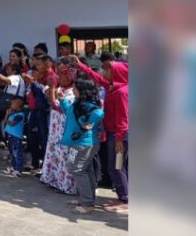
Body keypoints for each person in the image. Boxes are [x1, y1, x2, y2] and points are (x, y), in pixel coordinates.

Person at [75, 53, 129, 212]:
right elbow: (97, 78)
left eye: (108, 70)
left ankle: (125, 199)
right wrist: (81, 66)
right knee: (119, 166)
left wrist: (119, 139)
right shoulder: (112, 87)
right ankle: (124, 195)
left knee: (117, 166)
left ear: (118, 73)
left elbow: (123, 118)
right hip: (114, 134)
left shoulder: (121, 93)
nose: (104, 73)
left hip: (120, 136)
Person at [54, 78, 105, 213]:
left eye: (75, 88)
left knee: (77, 169)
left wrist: (87, 122)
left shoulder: (89, 106)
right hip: (79, 143)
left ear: (83, 91)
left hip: (84, 144)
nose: (73, 90)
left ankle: (87, 204)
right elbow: (69, 114)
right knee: (85, 170)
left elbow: (99, 113)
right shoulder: (78, 104)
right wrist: (62, 100)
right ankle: (86, 199)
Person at [39, 57, 79, 194]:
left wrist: (52, 90)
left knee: (64, 155)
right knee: (55, 154)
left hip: (65, 130)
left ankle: (67, 185)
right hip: (56, 130)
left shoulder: (73, 92)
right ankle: (54, 180)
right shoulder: (61, 88)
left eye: (62, 75)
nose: (59, 77)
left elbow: (58, 106)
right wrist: (51, 90)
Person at [2, 96, 27, 178]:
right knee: (12, 152)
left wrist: (6, 116)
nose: (11, 105)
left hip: (16, 136)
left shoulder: (20, 114)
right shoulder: (13, 113)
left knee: (17, 153)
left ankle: (18, 170)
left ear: (18, 104)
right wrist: (8, 114)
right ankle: (14, 167)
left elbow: (12, 123)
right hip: (11, 136)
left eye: (12, 103)